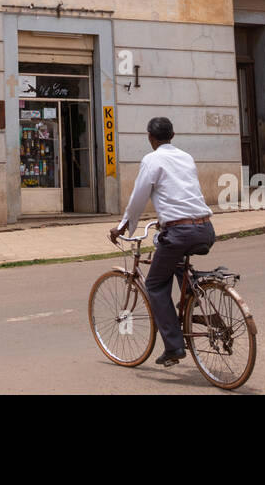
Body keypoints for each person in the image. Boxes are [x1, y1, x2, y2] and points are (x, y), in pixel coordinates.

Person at [109, 117, 214, 367]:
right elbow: (181, 193)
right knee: (170, 253)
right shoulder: (186, 157)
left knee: (155, 284)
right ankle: (190, 294)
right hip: (205, 228)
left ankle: (174, 346)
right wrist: (165, 219)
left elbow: (138, 198)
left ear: (150, 138)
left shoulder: (151, 160)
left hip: (179, 233)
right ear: (173, 134)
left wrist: (123, 227)